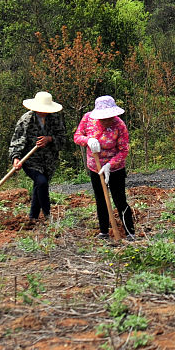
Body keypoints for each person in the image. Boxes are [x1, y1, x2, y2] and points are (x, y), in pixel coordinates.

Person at [73, 95, 134, 241]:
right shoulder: (88, 119)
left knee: (119, 199)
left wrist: (110, 165)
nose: (106, 121)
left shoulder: (119, 126)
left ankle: (130, 231)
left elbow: (124, 151)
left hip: (115, 168)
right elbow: (77, 136)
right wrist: (88, 140)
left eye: (109, 118)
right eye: (103, 118)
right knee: (101, 199)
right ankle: (104, 231)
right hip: (95, 167)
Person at [8, 91, 68, 226]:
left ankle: (33, 217)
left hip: (49, 160)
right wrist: (15, 158)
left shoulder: (55, 119)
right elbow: (17, 140)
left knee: (39, 185)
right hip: (30, 160)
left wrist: (50, 139)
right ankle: (47, 215)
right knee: (41, 183)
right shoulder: (26, 120)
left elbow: (63, 139)